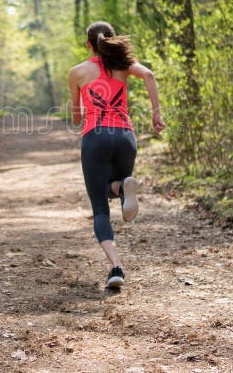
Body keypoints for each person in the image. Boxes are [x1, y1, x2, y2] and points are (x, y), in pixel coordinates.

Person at [68, 21, 165, 289]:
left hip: (95, 137)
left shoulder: (77, 72)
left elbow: (77, 117)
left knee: (100, 208)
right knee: (114, 189)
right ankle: (123, 185)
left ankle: (115, 267)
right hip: (125, 136)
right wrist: (156, 114)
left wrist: (79, 112)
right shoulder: (124, 65)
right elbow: (149, 76)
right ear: (110, 40)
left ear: (89, 44)